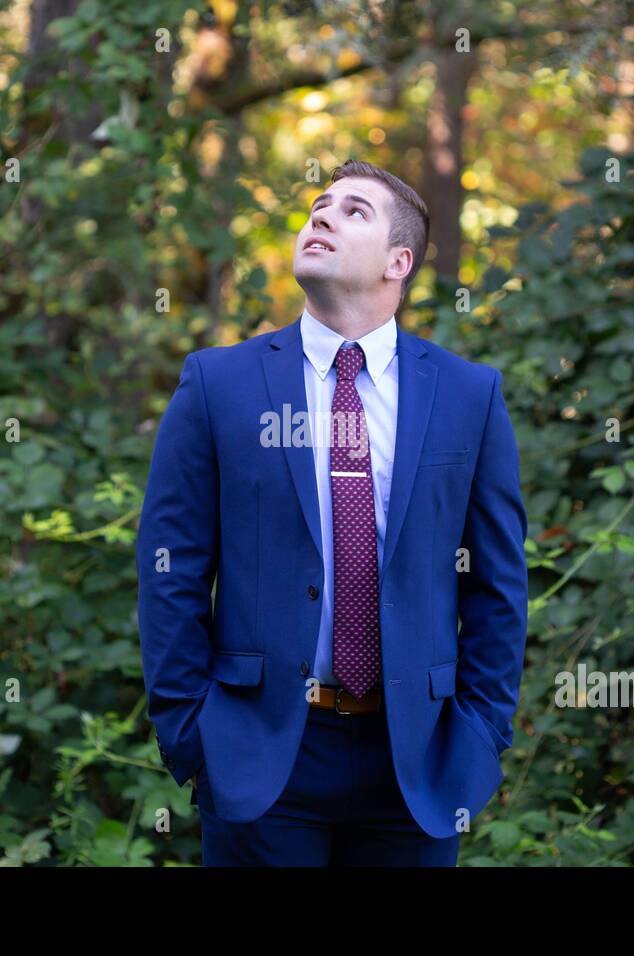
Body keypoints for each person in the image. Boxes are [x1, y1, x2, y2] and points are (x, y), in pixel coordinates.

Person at [136, 159, 528, 866]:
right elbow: (171, 573)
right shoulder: (217, 385)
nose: (321, 217)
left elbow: (498, 586)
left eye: (354, 212)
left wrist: (480, 735)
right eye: (319, 205)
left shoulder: (470, 396)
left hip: (418, 762)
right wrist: (192, 734)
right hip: (260, 758)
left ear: (398, 261)